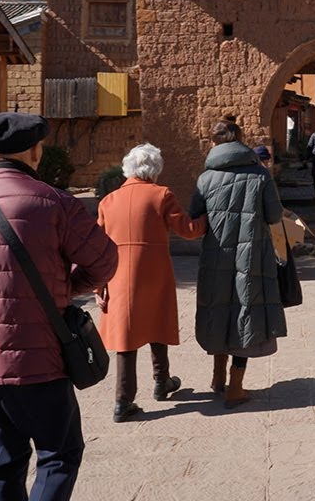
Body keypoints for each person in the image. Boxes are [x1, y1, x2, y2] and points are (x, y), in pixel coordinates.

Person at [0, 112, 117, 501]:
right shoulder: (55, 203)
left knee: (3, 461)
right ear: (37, 151)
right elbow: (105, 261)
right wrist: (67, 288)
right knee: (59, 454)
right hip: (39, 355)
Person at [95, 143, 206, 423]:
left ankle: (123, 399)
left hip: (118, 277)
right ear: (154, 170)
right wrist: (210, 216)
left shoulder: (108, 202)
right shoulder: (161, 195)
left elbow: (96, 249)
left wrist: (98, 287)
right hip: (155, 275)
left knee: (126, 337)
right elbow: (188, 231)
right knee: (158, 325)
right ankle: (160, 381)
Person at [189, 119, 286, 408]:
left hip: (216, 255)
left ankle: (218, 377)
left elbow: (195, 215)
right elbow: (274, 216)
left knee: (219, 310)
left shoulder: (205, 178)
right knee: (246, 314)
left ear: (214, 143)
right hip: (251, 256)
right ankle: (235, 386)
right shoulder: (260, 175)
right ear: (240, 141)